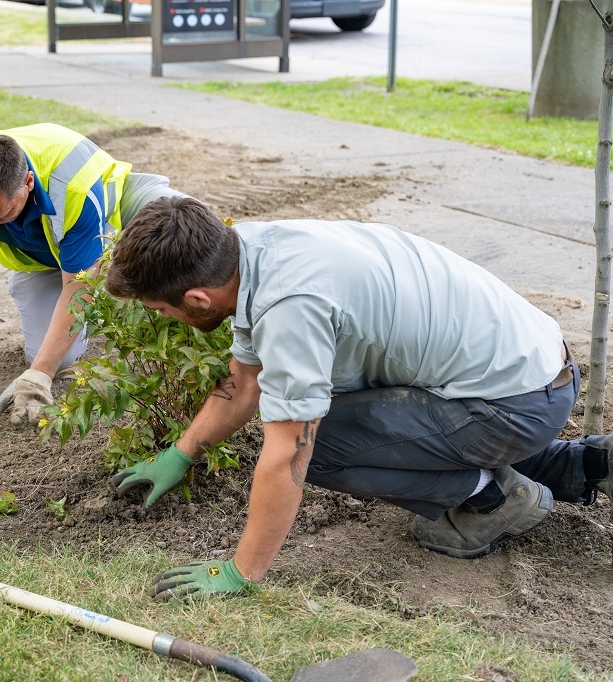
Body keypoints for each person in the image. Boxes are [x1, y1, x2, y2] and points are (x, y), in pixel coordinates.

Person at [104, 195, 613, 601]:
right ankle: (586, 464)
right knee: (344, 402)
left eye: (161, 310)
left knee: (317, 447)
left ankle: (495, 500)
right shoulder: (253, 249)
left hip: (510, 404)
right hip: (531, 372)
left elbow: (288, 458)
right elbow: (246, 382)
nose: (165, 319)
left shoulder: (289, 306)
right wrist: (180, 453)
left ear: (197, 298)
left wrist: (242, 571)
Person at [0, 123, 185, 424]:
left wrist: (39, 376)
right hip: (45, 259)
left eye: (4, 213)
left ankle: (109, 270)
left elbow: (79, 286)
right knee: (58, 358)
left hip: (118, 210)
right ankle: (89, 271)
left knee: (182, 229)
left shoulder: (74, 189)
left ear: (27, 182)